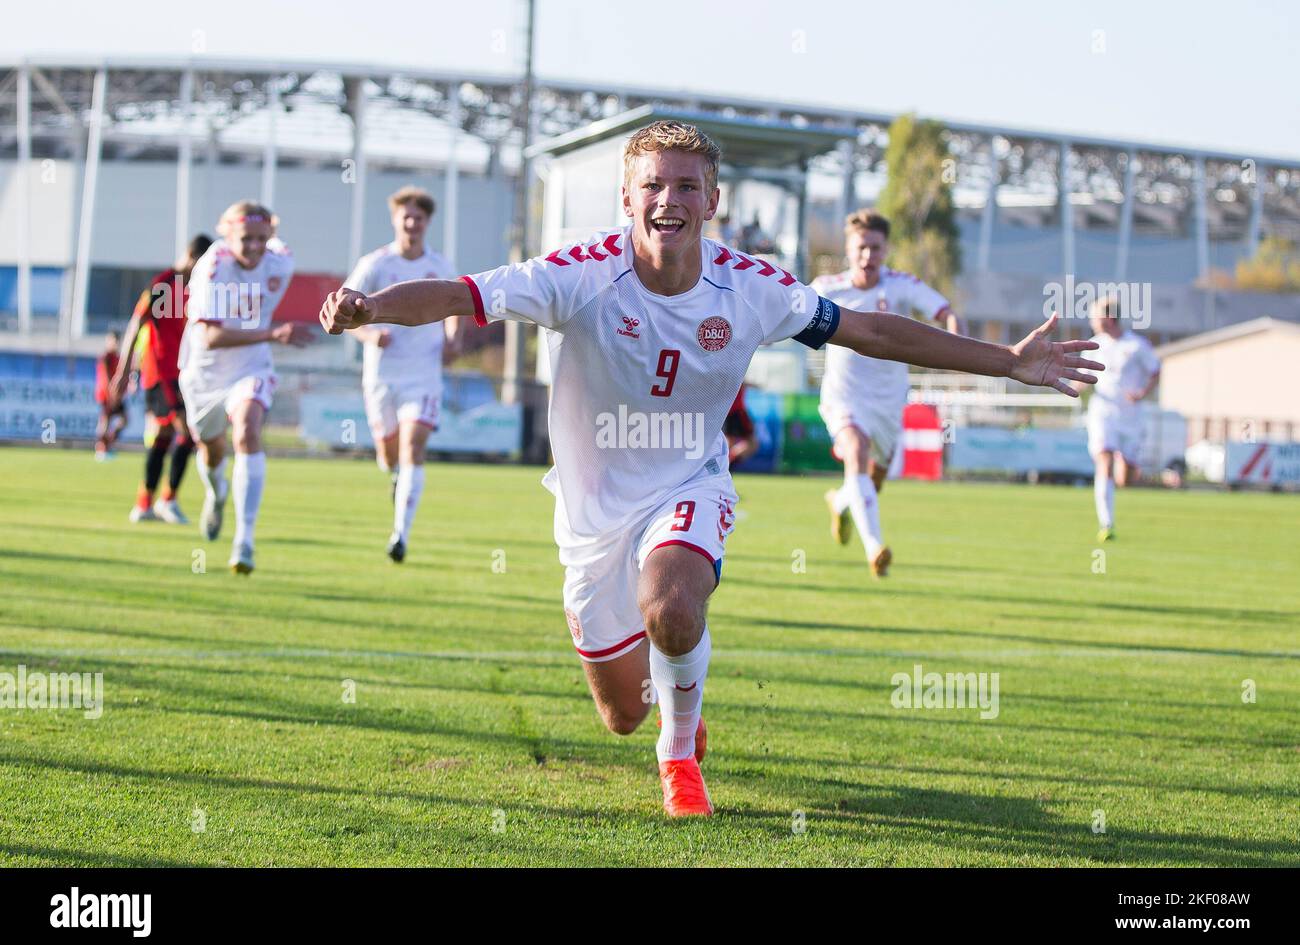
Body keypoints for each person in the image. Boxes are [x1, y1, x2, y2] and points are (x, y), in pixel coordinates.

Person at [318, 121, 1101, 817]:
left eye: (686, 186)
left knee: (669, 602)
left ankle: (680, 756)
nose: (669, 200)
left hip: (689, 484)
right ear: (627, 198)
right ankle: (668, 694)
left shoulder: (752, 287)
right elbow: (458, 294)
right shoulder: (577, 274)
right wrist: (372, 306)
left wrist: (1006, 361)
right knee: (621, 713)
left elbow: (870, 330)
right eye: (652, 185)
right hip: (591, 514)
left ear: (713, 200)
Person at [815, 209, 966, 577]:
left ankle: (841, 504)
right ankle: (875, 548)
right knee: (855, 451)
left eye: (876, 248)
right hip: (844, 397)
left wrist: (955, 334)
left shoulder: (901, 285)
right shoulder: (826, 288)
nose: (868, 256)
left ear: (886, 250)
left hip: (887, 400)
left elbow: (943, 310)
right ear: (848, 250)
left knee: (873, 481)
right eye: (861, 248)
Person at [178, 200, 312, 574]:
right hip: (204, 375)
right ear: (226, 234)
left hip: (251, 369)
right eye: (244, 238)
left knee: (248, 430)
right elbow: (208, 336)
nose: (254, 246)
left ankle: (244, 541)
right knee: (211, 448)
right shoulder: (213, 266)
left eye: (260, 238)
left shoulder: (281, 260)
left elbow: (278, 243)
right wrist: (273, 333)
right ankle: (215, 491)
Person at [342, 186, 462, 562]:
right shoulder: (375, 263)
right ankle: (395, 476)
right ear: (396, 219)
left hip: (423, 373)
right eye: (406, 217)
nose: (412, 223)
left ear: (427, 223)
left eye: (419, 218)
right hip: (383, 376)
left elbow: (456, 305)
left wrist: (453, 338)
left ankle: (400, 536)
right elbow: (346, 310)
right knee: (389, 453)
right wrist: (367, 333)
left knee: (414, 447)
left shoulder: (440, 266)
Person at [111, 234, 214, 523]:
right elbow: (136, 324)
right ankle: (166, 501)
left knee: (165, 436)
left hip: (184, 373)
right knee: (190, 432)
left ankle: (145, 504)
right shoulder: (164, 284)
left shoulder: (195, 288)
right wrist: (122, 371)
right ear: (192, 257)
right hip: (162, 373)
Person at [1081, 294, 1160, 542]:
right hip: (1102, 413)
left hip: (1131, 417)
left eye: (1095, 315)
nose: (1092, 320)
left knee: (1125, 477)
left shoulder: (1136, 345)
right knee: (1103, 460)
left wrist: (1142, 393)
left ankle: (1133, 469)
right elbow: (1081, 378)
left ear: (1109, 317)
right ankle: (1107, 523)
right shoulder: (1093, 345)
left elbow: (1156, 371)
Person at [93, 329, 128, 461]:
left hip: (117, 395)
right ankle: (101, 449)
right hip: (106, 395)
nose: (115, 343)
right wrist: (111, 393)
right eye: (113, 340)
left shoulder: (119, 357)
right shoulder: (105, 357)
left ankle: (108, 443)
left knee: (124, 420)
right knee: (105, 422)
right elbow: (106, 378)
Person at [723, 383, 756, 466]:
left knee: (728, 442)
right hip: (737, 413)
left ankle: (727, 460)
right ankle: (730, 458)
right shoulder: (736, 376)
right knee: (752, 443)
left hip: (725, 413)